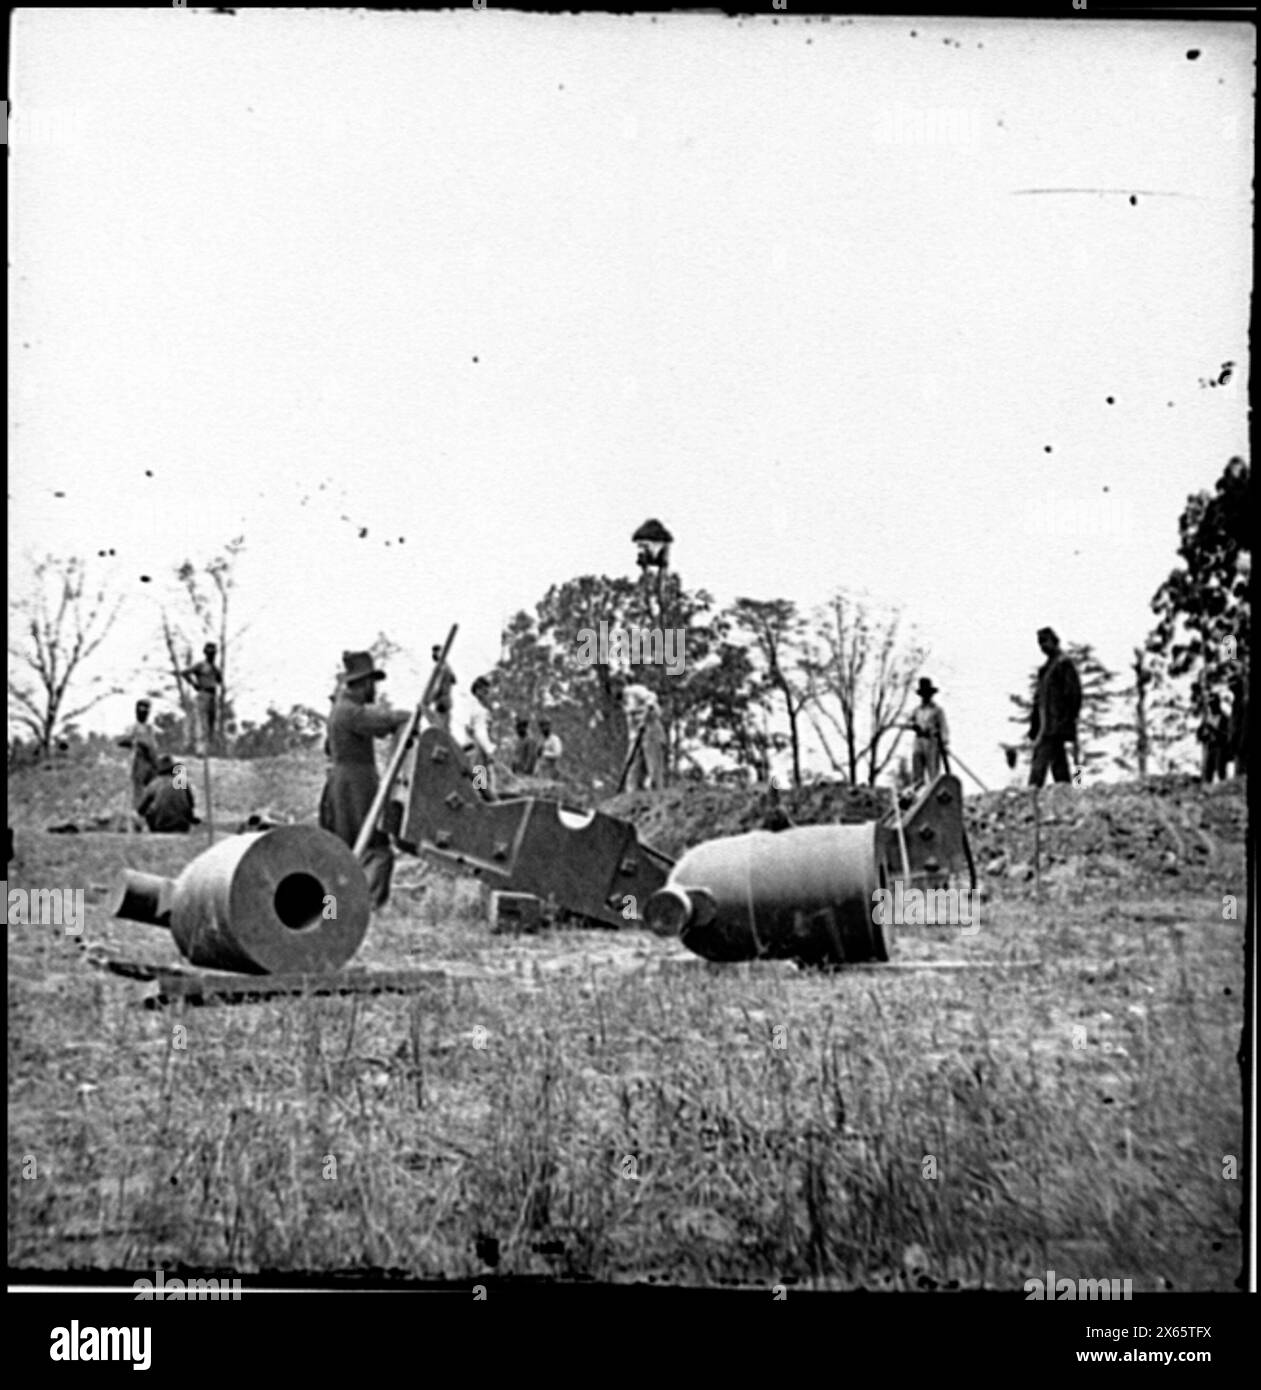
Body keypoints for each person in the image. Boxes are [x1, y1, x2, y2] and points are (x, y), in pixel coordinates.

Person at [319, 651, 410, 910]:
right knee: (377, 848)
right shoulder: (350, 711)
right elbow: (388, 720)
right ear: (365, 683)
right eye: (373, 683)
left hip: (342, 781)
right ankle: (365, 908)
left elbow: (328, 748)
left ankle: (333, 909)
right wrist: (410, 716)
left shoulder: (340, 709)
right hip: (356, 785)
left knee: (342, 850)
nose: (375, 689)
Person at [1028, 628, 1082, 787]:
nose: (1043, 646)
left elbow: (1074, 695)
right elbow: (1038, 701)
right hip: (1046, 726)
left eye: (1045, 641)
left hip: (1057, 725)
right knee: (1059, 764)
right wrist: (1034, 726)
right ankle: (1068, 792)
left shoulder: (1064, 664)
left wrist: (1067, 720)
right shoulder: (1045, 670)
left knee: (1041, 763)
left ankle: (1031, 796)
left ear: (1054, 641)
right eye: (1040, 643)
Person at [622, 681, 666, 791]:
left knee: (653, 768)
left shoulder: (633, 690)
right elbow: (631, 726)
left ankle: (657, 794)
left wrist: (648, 709)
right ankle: (633, 797)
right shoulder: (622, 702)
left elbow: (651, 697)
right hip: (637, 736)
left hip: (651, 732)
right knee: (633, 771)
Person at [180, 643, 224, 752]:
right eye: (209, 652)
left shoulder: (215, 668)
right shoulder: (200, 665)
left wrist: (217, 672)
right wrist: (194, 684)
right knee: (200, 721)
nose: (211, 654)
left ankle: (210, 748)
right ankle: (199, 748)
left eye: (213, 652)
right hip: (203, 694)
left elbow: (219, 681)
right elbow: (185, 673)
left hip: (213, 695)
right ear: (205, 653)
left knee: (211, 722)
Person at [138, 755, 198, 833]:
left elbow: (141, 810)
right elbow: (191, 805)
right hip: (182, 826)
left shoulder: (154, 783)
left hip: (159, 827)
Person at [906, 677, 949, 785]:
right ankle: (918, 795)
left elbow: (944, 727)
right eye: (923, 694)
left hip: (932, 743)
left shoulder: (937, 710)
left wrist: (944, 743)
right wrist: (914, 725)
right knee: (917, 773)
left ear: (931, 694)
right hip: (919, 742)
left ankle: (934, 794)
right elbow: (907, 722)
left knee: (933, 773)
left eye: (928, 693)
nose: (926, 696)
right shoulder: (917, 710)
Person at [118, 699, 159, 810]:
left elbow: (153, 746)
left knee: (153, 787)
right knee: (138, 789)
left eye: (146, 710)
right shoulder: (132, 727)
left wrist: (155, 762)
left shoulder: (150, 729)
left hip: (150, 761)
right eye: (141, 709)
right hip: (138, 760)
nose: (143, 712)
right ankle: (137, 811)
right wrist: (136, 743)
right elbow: (122, 741)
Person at [465, 675, 498, 795]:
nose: (487, 695)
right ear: (478, 691)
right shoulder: (480, 711)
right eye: (485, 691)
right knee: (482, 783)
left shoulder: (471, 708)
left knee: (478, 781)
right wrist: (489, 752)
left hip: (472, 750)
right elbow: (481, 733)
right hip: (479, 750)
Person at [431, 644, 456, 731]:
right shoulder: (447, 666)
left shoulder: (442, 667)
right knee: (445, 723)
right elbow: (454, 680)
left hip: (442, 699)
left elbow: (439, 686)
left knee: (440, 724)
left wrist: (431, 698)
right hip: (446, 699)